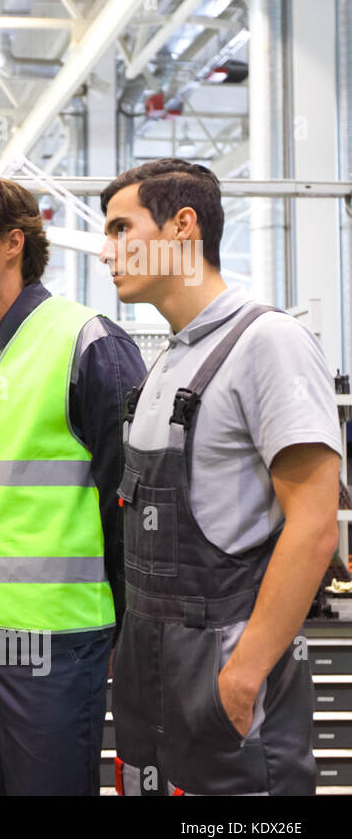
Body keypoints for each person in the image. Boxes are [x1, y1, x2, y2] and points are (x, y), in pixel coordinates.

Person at [101, 159, 341, 795]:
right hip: (149, 663)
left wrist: (244, 675)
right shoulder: (167, 362)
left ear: (184, 227)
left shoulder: (269, 342)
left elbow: (315, 527)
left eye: (121, 229)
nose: (107, 252)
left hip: (226, 663)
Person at [0, 174, 147, 795]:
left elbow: (131, 502)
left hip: (52, 639)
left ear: (13, 243)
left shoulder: (86, 341)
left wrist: (128, 631)